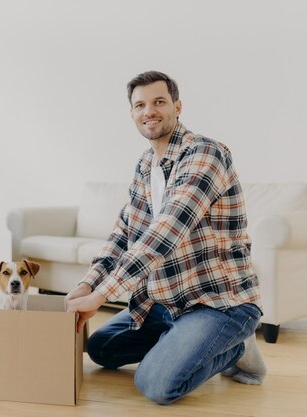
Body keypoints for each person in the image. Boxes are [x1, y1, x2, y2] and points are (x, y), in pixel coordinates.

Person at [65, 71, 267, 404]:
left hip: (217, 303)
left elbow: (165, 232)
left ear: (177, 106)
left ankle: (235, 346)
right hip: (165, 301)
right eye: (140, 105)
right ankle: (185, 340)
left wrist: (101, 295)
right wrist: (87, 284)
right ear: (132, 114)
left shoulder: (205, 153)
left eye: (159, 101)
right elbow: (124, 232)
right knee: (101, 349)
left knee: (157, 384)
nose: (150, 111)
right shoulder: (146, 164)